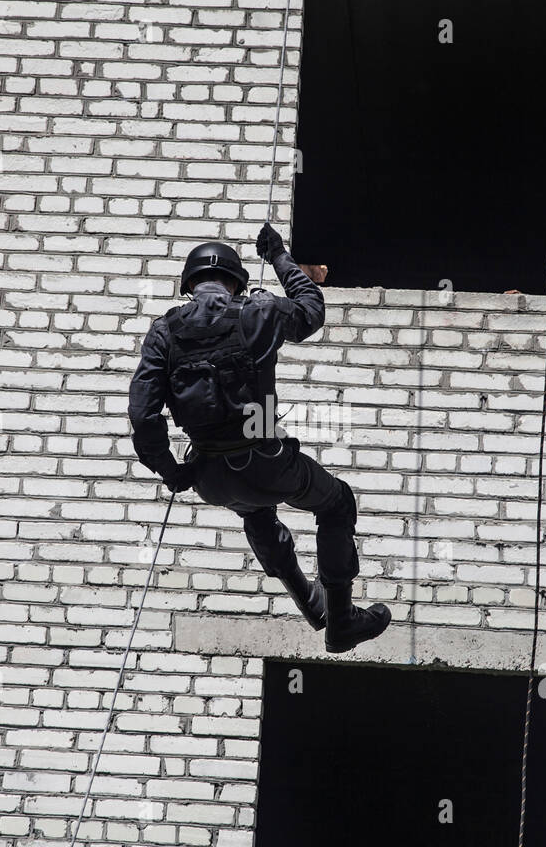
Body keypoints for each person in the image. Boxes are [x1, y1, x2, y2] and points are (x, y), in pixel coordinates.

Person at [127, 223, 391, 654]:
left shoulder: (164, 331)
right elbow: (311, 310)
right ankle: (341, 620)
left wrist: (171, 471)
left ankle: (311, 603)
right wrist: (279, 255)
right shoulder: (256, 311)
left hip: (210, 477)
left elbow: (142, 415)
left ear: (189, 285)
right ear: (236, 282)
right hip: (266, 459)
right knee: (337, 502)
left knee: (257, 514)